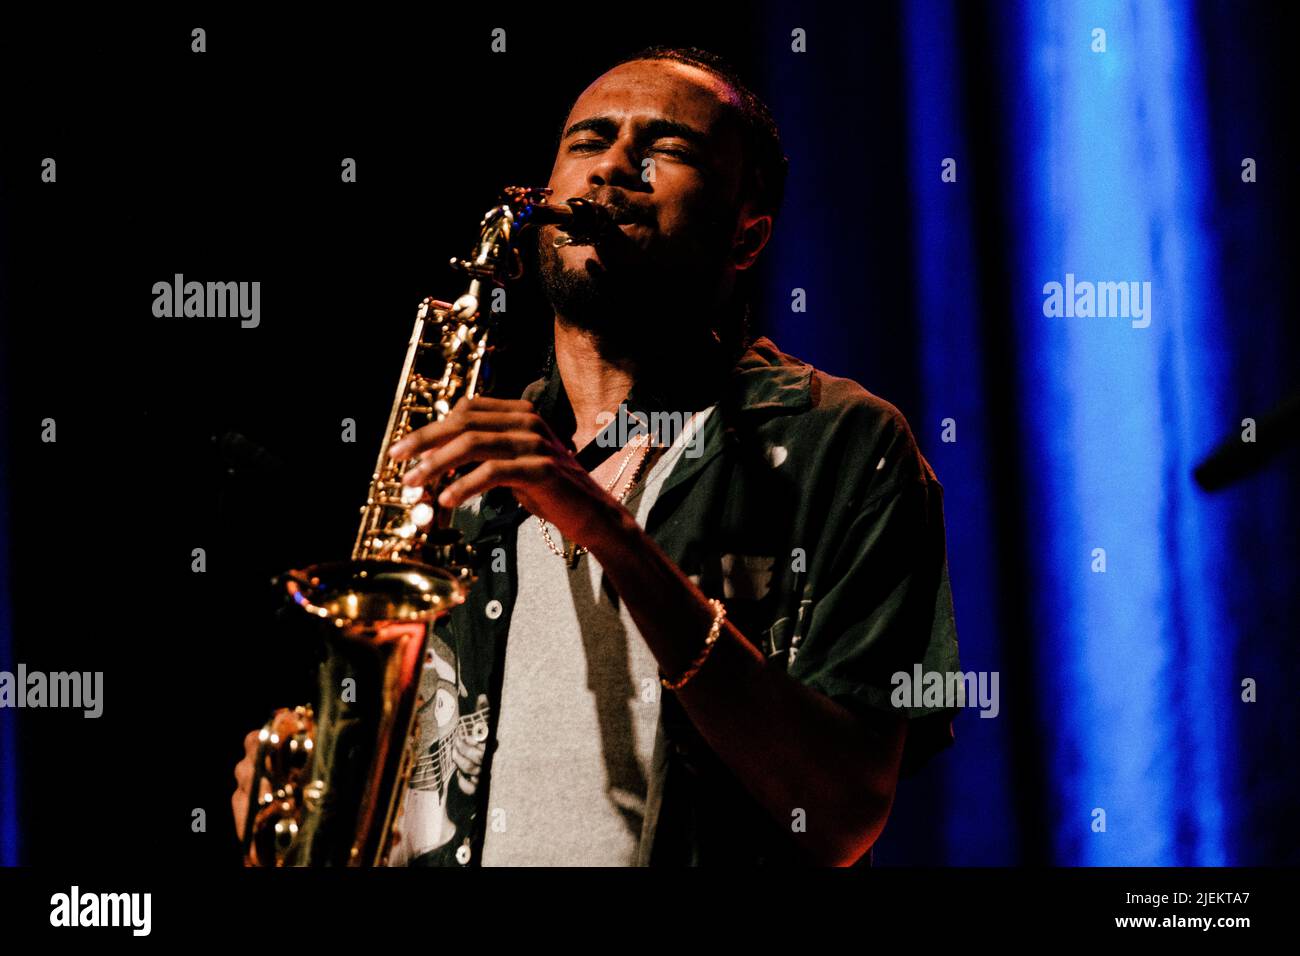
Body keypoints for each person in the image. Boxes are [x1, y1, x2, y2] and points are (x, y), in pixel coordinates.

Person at [233, 45, 961, 867]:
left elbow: (839, 811)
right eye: (587, 142)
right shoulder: (462, 444)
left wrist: (608, 531)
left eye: (668, 149)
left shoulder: (846, 442)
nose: (613, 166)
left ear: (748, 236)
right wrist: (326, 785)